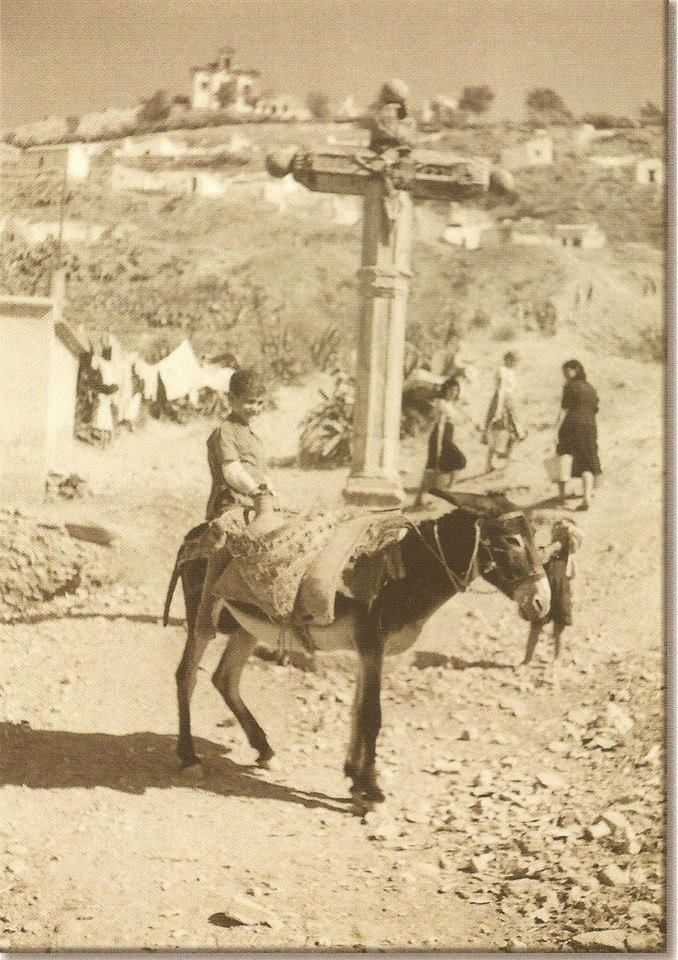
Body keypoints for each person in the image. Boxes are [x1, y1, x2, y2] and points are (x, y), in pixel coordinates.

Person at [205, 368, 275, 522]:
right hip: (230, 502)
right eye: (250, 402)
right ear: (231, 399)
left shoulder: (250, 434)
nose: (256, 408)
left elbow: (261, 472)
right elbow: (232, 471)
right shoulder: (225, 431)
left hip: (254, 500)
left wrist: (269, 491)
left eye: (260, 403)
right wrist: (255, 491)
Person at [521, 519, 582, 665]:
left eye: (562, 532)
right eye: (556, 531)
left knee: (558, 628)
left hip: (561, 591)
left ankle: (556, 658)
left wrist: (567, 530)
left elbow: (577, 539)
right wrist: (554, 545)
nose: (559, 534)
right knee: (536, 624)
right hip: (546, 590)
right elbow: (538, 559)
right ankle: (528, 658)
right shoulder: (546, 550)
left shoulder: (568, 552)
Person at [413, 377, 479, 508]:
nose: (453, 392)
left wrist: (473, 423)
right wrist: (439, 444)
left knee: (437, 466)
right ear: (445, 390)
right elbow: (442, 422)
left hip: (447, 435)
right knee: (452, 462)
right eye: (450, 390)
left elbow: (461, 418)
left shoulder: (451, 405)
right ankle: (433, 494)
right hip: (440, 436)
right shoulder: (441, 403)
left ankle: (439, 492)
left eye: (455, 390)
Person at [555, 358, 601, 510]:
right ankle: (586, 498)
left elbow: (564, 409)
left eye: (567, 371)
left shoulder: (570, 386)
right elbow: (595, 409)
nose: (565, 375)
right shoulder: (591, 388)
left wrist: (556, 428)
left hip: (571, 425)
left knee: (563, 457)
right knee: (586, 460)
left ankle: (561, 498)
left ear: (575, 370)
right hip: (590, 426)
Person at [482, 351, 525, 472]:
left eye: (516, 360)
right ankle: (488, 463)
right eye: (513, 360)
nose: (515, 363)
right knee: (497, 431)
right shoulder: (502, 370)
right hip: (501, 401)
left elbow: (511, 390)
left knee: (515, 430)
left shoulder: (512, 372)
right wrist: (498, 409)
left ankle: (508, 459)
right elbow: (501, 389)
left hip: (510, 401)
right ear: (507, 359)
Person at [90, 345, 118, 447]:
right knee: (103, 411)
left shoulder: (109, 364)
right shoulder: (102, 362)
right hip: (104, 390)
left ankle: (104, 436)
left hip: (107, 391)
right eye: (107, 352)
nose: (108, 355)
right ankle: (105, 436)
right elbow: (94, 369)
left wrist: (112, 389)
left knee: (103, 411)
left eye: (109, 352)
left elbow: (115, 382)